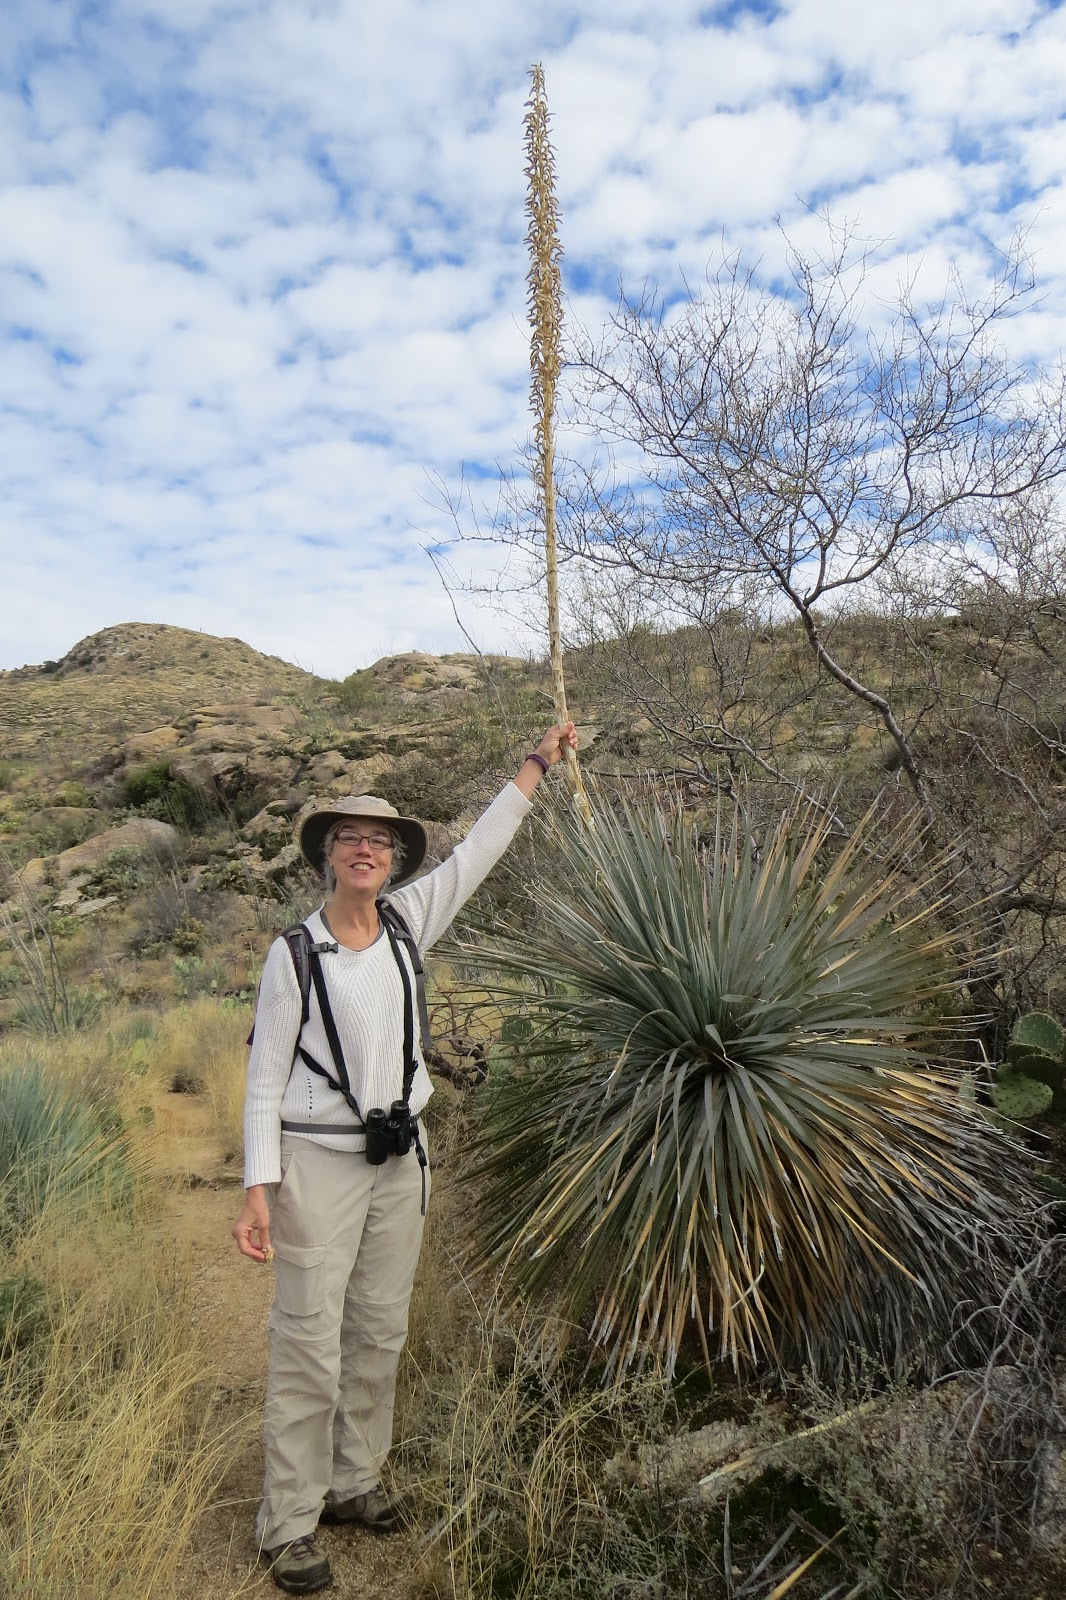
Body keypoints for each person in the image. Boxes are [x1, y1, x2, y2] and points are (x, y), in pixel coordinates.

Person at [232, 723, 578, 1595]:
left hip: (400, 1161)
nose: (366, 850)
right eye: (350, 837)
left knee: (380, 1330)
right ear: (327, 856)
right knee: (309, 1340)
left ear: (393, 859)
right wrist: (258, 1188)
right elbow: (264, 1077)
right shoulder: (294, 954)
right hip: (317, 1165)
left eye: (379, 841)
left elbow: (479, 853)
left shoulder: (407, 924)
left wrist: (535, 765)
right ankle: (290, 1521)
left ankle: (353, 1483)